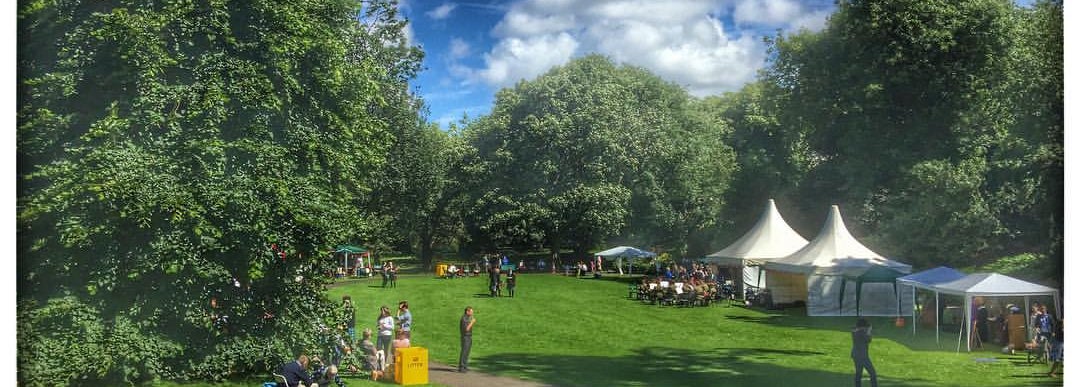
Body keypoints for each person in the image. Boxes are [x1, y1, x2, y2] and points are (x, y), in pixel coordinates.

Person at [851, 318, 878, 387]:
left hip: (856, 355)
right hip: (862, 356)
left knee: (858, 374)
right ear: (862, 326)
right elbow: (869, 340)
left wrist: (867, 330)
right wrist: (869, 331)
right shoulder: (861, 333)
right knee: (872, 373)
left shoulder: (855, 332)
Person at [459, 306, 475, 373]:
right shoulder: (464, 318)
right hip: (465, 337)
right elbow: (466, 329)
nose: (472, 313)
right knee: (464, 351)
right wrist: (472, 322)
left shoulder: (468, 318)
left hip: (469, 337)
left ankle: (465, 365)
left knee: (467, 352)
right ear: (467, 312)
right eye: (471, 311)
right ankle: (461, 367)